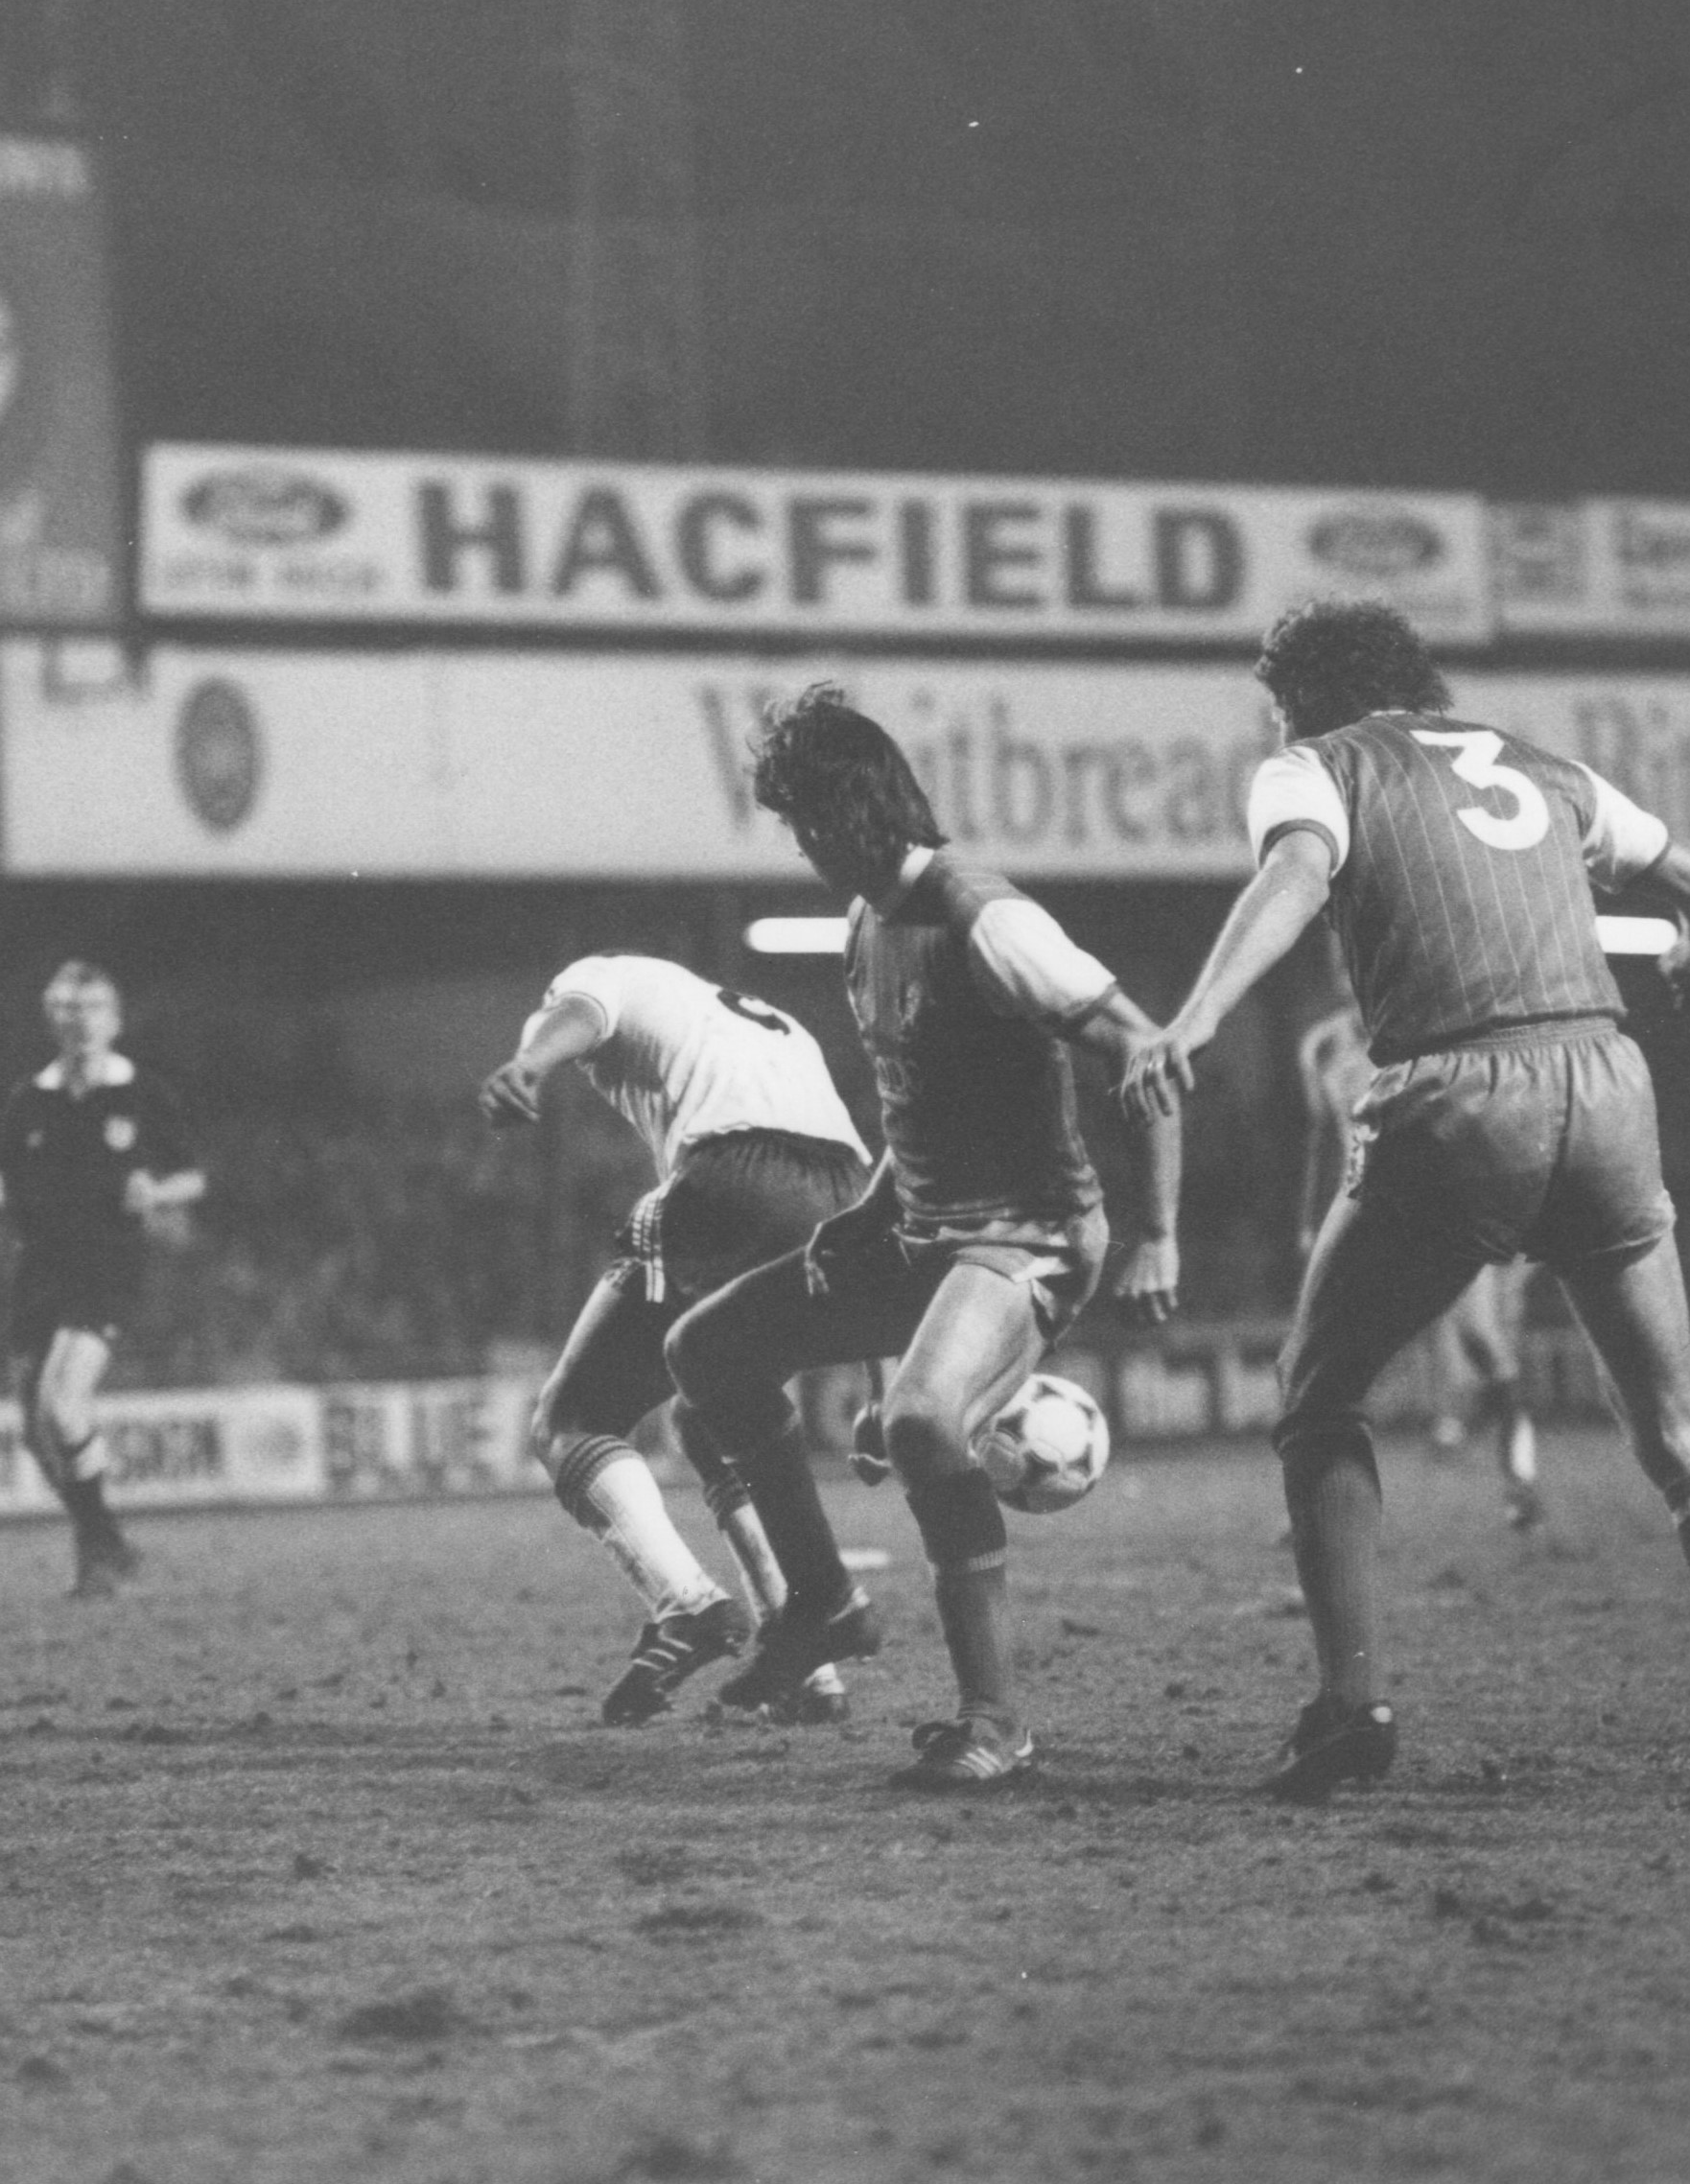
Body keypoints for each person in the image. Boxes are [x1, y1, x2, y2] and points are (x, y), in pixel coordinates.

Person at [1121, 598, 1690, 1798]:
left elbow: (1299, 871)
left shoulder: (1315, 767)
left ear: (1304, 699)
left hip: (1456, 1090)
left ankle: (1348, 1706)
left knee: (1318, 1394)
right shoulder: (1544, 766)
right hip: (1607, 1079)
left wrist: (1198, 1016)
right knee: (1678, 1431)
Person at [663, 685, 1183, 1789]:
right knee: (703, 1353)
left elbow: (1147, 1054)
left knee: (917, 1423)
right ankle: (820, 1606)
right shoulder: (864, 924)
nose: (799, 849)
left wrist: (1159, 1233)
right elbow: (925, 1092)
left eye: (804, 824)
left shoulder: (986, 921)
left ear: (851, 816)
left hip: (1028, 1235)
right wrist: (864, 1214)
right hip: (920, 1233)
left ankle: (993, 1723)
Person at [480, 953, 875, 1726]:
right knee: (709, 1407)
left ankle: (686, 1604)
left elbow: (584, 1012)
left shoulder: (599, 975)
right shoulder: (769, 1024)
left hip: (741, 1178)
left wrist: (528, 1063)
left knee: (568, 1422)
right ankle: (807, 1659)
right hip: (848, 1202)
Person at [0, 961, 204, 1597]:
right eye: (67, 1009)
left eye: (92, 1007)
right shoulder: (30, 1097)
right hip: (38, 1269)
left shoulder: (141, 1093)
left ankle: (100, 1545)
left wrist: (154, 1190)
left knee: (62, 1404)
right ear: (53, 1019)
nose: (80, 1020)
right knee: (37, 1432)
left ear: (114, 1019)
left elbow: (192, 1176)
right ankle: (104, 1542)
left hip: (105, 1266)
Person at [1300, 1003, 1544, 1528]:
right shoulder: (1322, 1046)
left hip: (1442, 1207)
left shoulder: (1424, 1023)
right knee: (1321, 1349)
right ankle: (1316, 1504)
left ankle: (1521, 1480)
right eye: (1338, 960)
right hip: (1364, 1212)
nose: (1348, 969)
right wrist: (1308, 1222)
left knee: (1481, 1339)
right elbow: (1323, 1138)